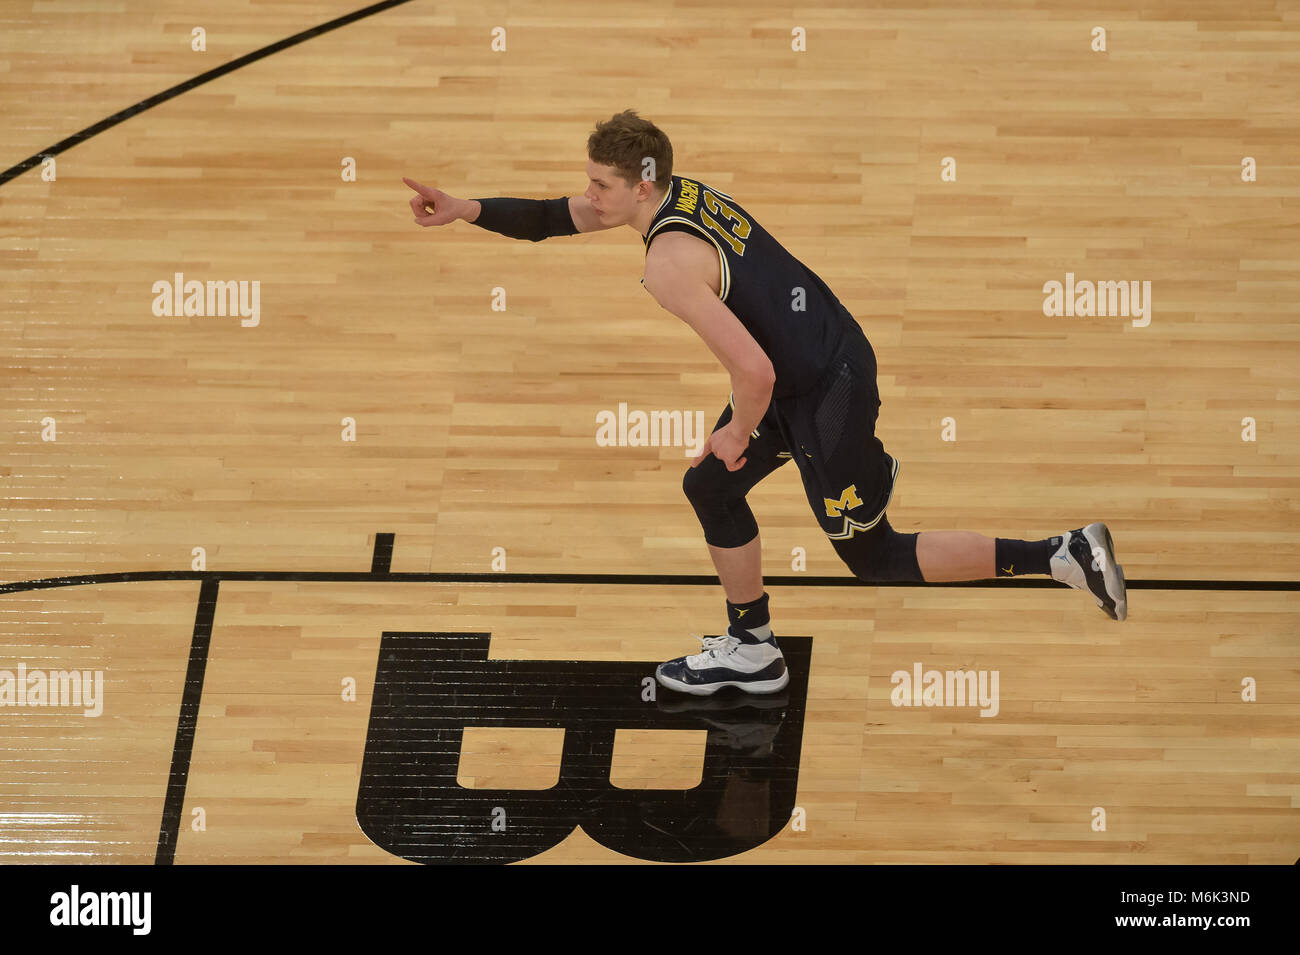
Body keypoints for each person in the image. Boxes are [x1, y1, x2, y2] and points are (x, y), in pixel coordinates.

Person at [403, 109, 1128, 697]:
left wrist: (736, 430)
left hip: (819, 393)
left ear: (640, 187)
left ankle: (1063, 554)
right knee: (711, 488)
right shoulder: (680, 197)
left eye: (600, 184)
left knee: (872, 556)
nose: (589, 194)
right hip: (817, 352)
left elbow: (751, 373)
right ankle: (752, 644)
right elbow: (551, 218)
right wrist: (464, 208)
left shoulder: (667, 265)